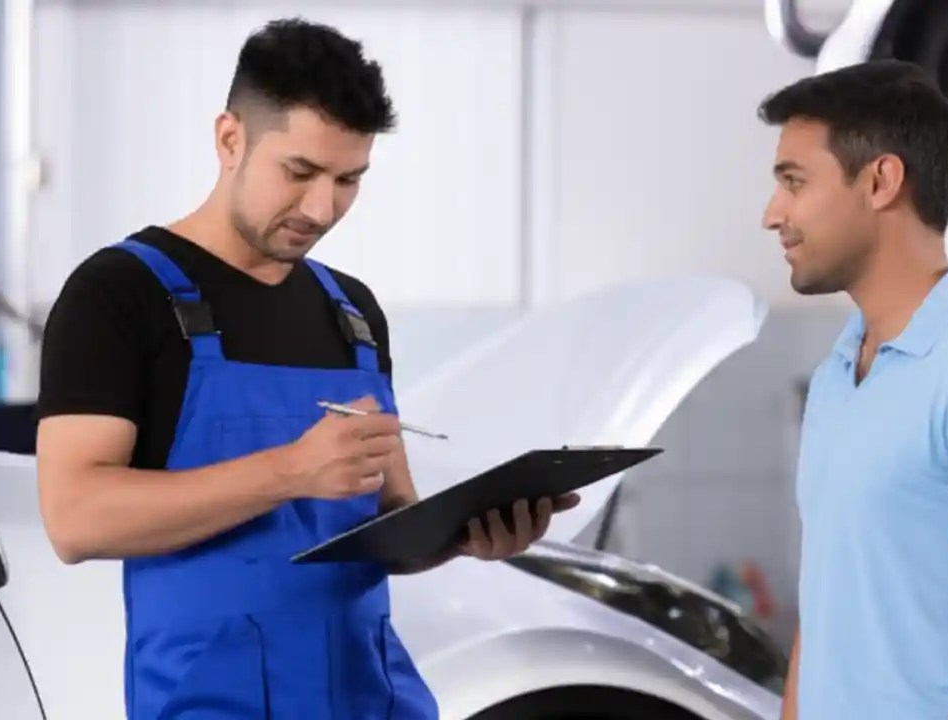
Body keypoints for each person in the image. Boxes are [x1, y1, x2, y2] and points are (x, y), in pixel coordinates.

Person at [35, 18, 577, 720]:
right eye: (300, 173)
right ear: (230, 139)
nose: (323, 208)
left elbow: (388, 520)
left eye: (349, 179)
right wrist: (291, 472)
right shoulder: (117, 294)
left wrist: (465, 534)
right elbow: (75, 518)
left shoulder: (352, 311)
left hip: (373, 698)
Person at [759, 60, 948, 719]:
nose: (772, 214)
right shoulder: (836, 376)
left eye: (794, 182)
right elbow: (825, 620)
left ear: (881, 181)